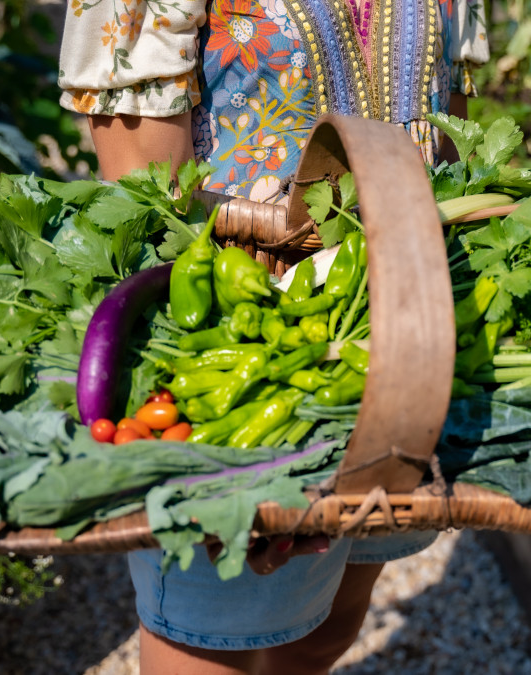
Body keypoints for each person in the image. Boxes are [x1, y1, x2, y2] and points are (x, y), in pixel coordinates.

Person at [57, 0, 488, 671]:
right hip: (242, 360)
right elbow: (146, 198)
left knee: (324, 628)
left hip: (405, 345)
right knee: (216, 641)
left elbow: (451, 125)